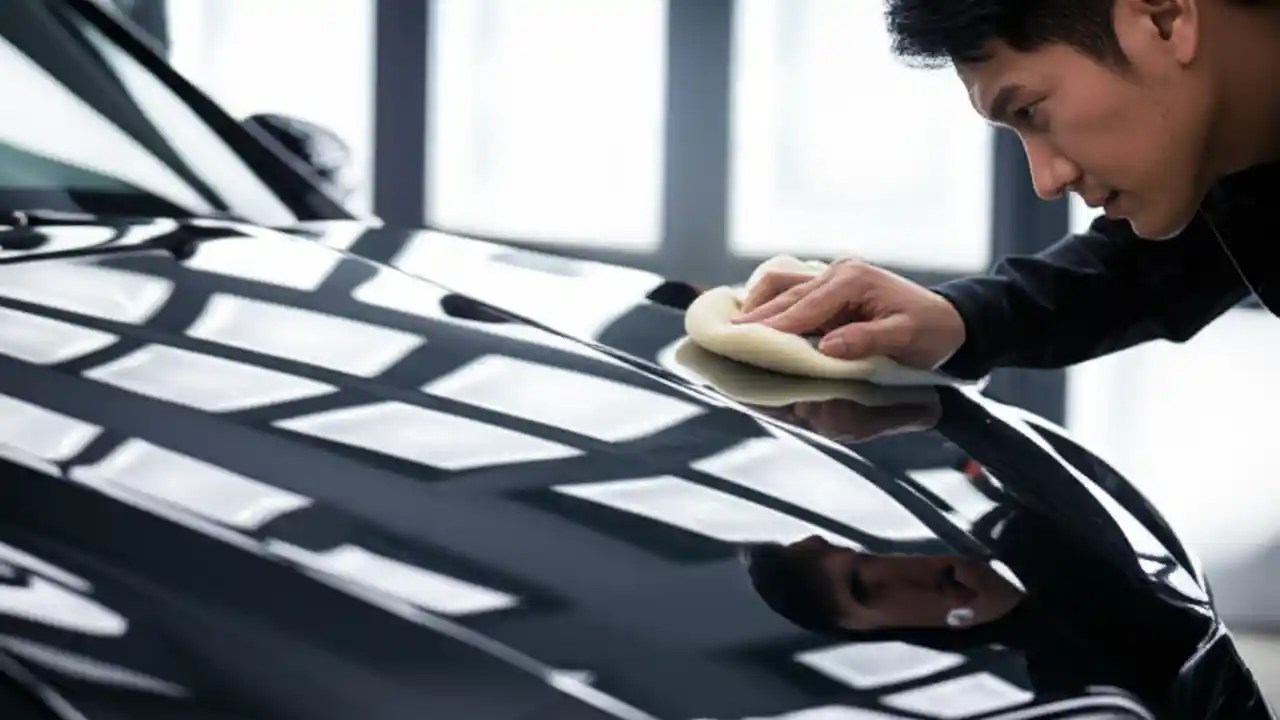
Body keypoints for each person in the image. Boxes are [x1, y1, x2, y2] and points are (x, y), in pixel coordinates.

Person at [732, 0, 1280, 380]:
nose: (1047, 180)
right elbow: (1154, 268)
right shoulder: (1236, 156)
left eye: (1031, 110)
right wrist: (959, 318)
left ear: (1164, 18)